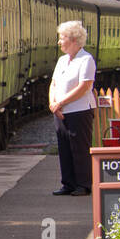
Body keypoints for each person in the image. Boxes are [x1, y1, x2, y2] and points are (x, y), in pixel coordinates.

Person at [50, 20, 96, 196]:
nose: (59, 42)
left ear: (74, 40)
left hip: (79, 111)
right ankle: (67, 183)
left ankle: (83, 185)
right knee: (64, 147)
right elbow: (53, 83)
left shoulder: (86, 59)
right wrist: (52, 104)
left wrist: (60, 103)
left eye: (62, 38)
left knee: (79, 148)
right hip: (60, 112)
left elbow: (84, 87)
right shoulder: (62, 60)